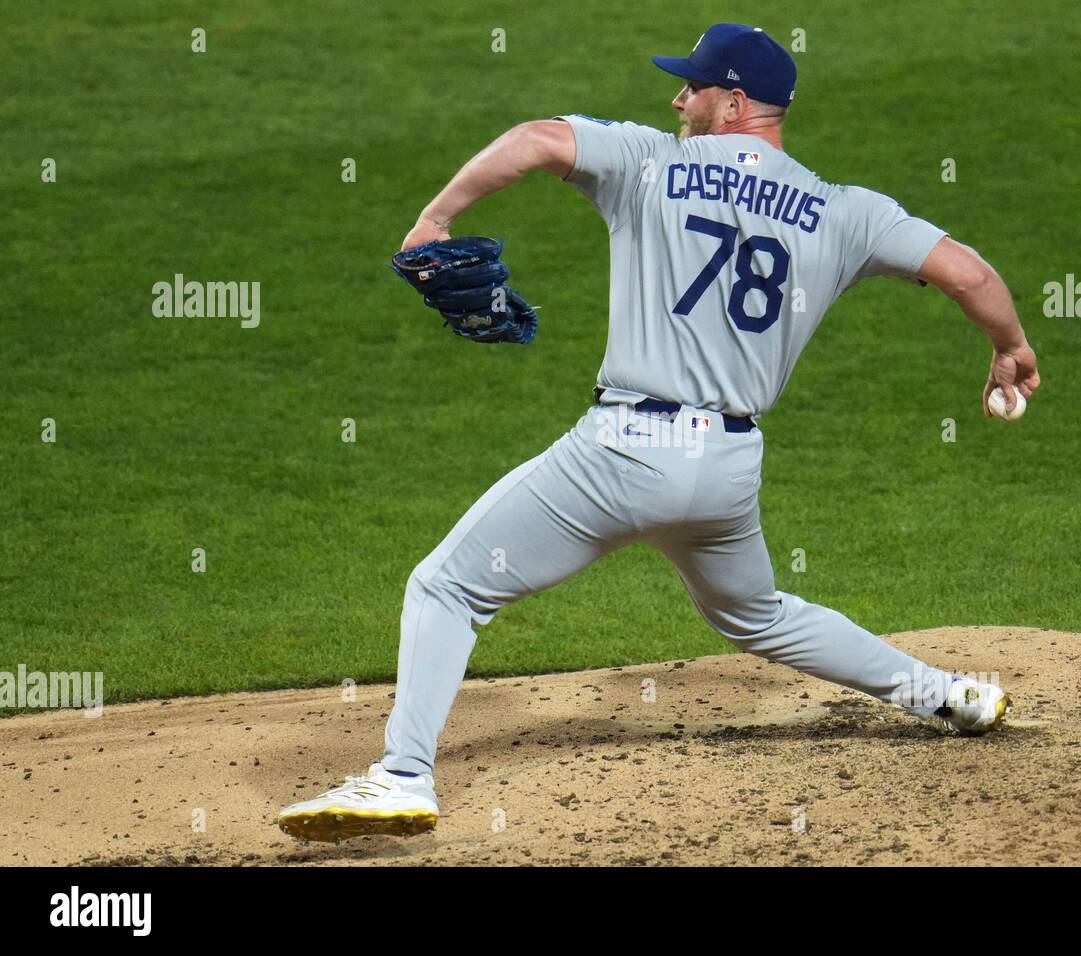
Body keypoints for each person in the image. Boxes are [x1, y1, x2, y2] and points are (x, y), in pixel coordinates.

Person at [277, 22, 1041, 842]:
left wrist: (437, 218)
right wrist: (1011, 349)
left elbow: (536, 140)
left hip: (625, 454)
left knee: (448, 587)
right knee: (757, 614)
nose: (678, 99)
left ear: (734, 102)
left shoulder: (652, 162)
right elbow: (969, 271)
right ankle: (944, 694)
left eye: (694, 86)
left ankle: (401, 776)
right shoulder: (846, 211)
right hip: (725, 469)